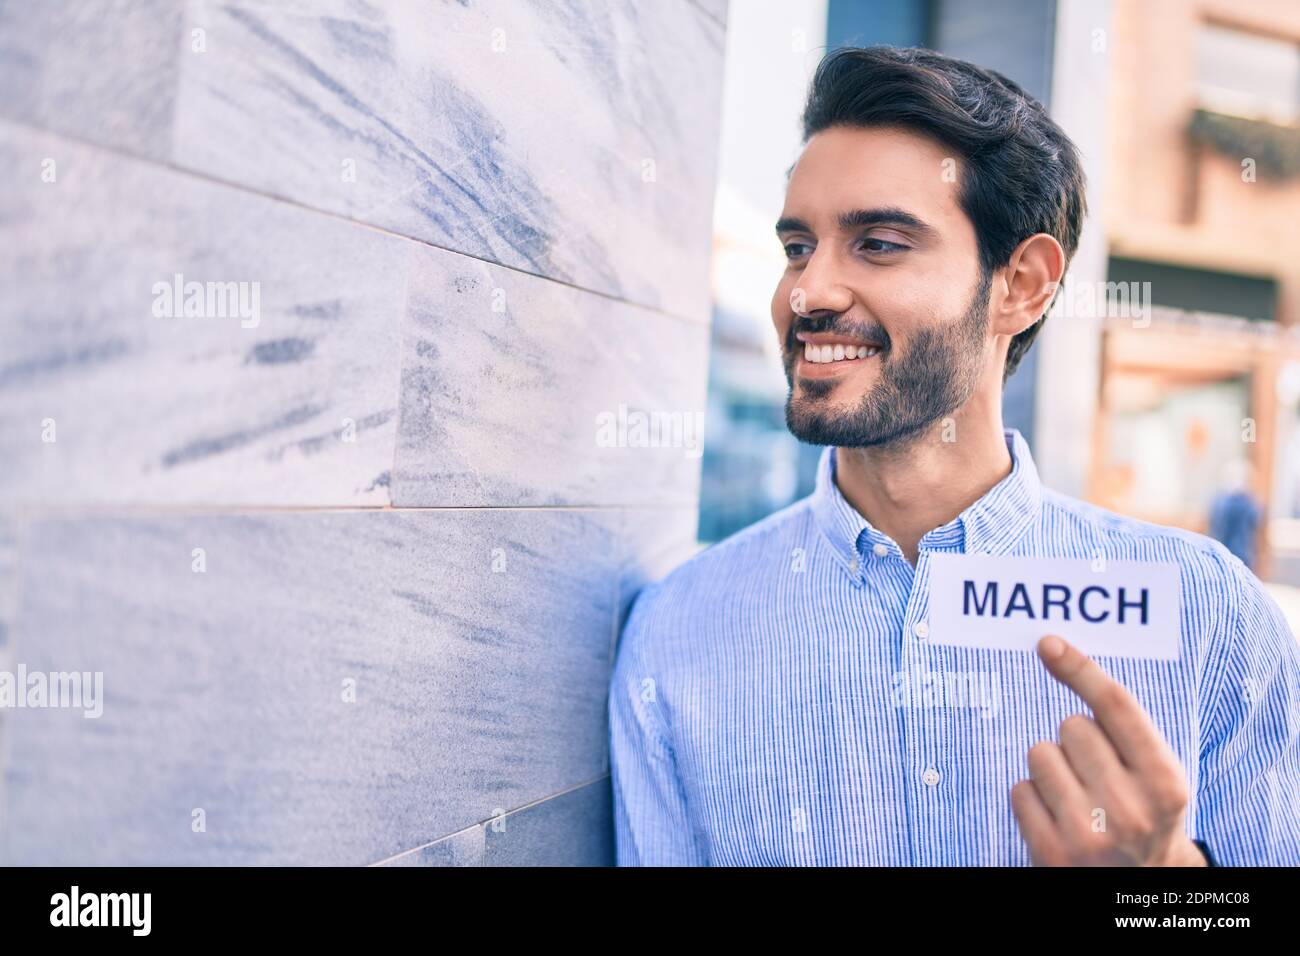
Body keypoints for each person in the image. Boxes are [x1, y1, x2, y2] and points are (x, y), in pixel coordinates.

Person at [608, 46, 1300, 866]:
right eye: (798, 247)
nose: (808, 291)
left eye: (879, 244)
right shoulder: (677, 631)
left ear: (1023, 285)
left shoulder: (1206, 613)